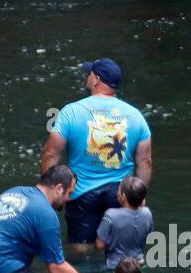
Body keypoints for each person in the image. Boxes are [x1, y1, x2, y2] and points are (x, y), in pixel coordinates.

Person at [41, 58, 153, 252]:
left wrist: (49, 193)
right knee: (118, 249)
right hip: (121, 193)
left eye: (89, 73)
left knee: (81, 249)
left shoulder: (71, 112)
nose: (87, 76)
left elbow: (51, 153)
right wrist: (138, 196)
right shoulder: (135, 116)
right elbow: (145, 161)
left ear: (96, 80)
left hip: (81, 192)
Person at [95, 175, 153, 270]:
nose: (117, 192)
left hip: (115, 266)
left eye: (118, 190)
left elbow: (99, 245)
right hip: (139, 264)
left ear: (123, 196)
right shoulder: (147, 214)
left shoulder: (111, 215)